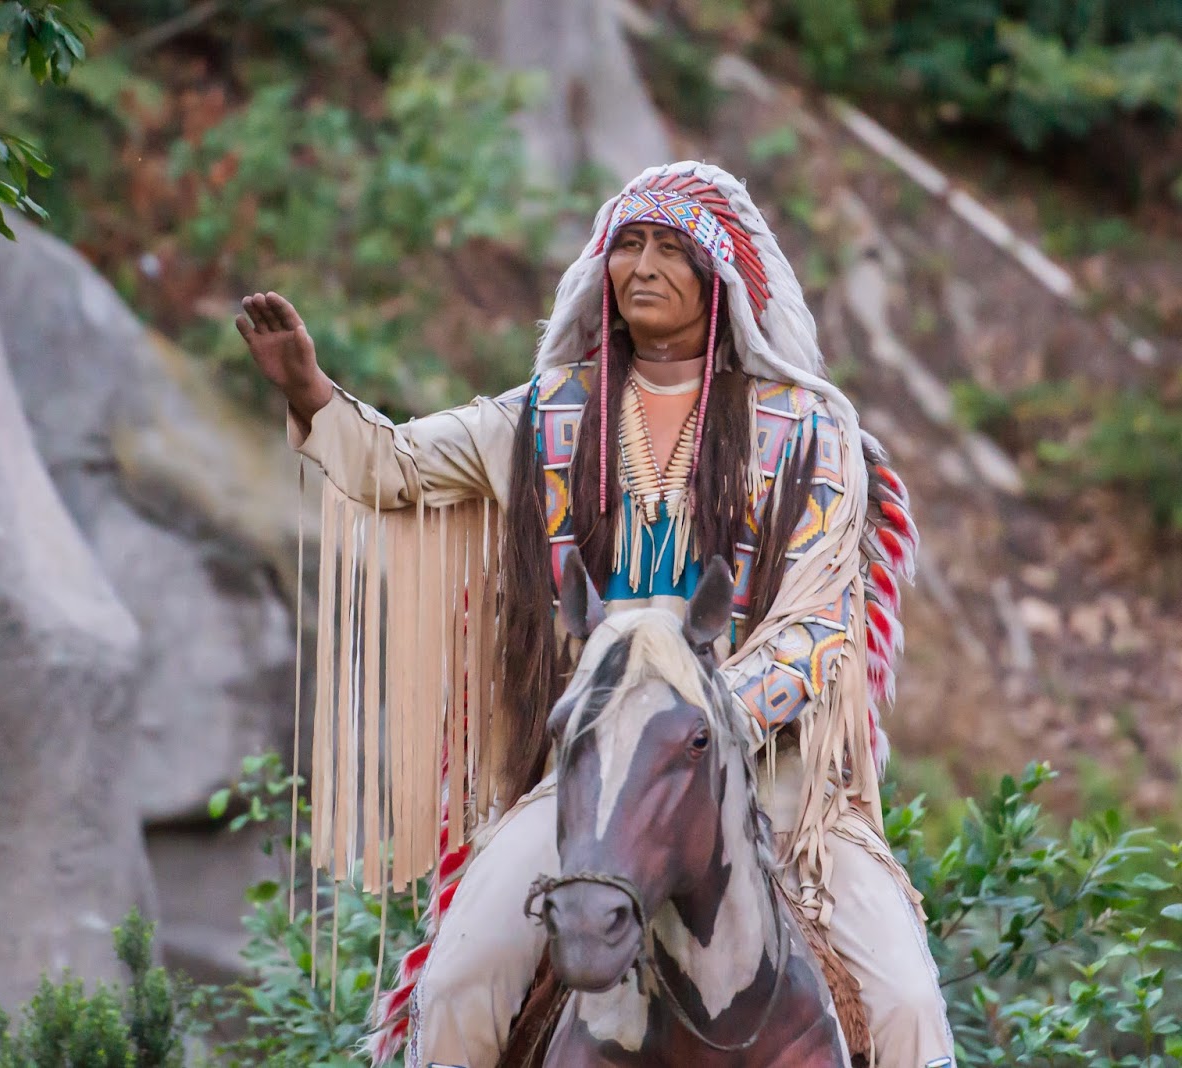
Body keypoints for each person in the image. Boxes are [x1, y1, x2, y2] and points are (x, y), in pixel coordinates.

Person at [237, 160, 952, 1068]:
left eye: (669, 249)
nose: (642, 266)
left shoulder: (808, 429)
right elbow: (399, 467)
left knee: (909, 1008)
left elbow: (820, 630)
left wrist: (693, 713)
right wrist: (310, 394)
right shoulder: (551, 412)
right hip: (594, 785)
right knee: (457, 985)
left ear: (721, 278)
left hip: (772, 788)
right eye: (628, 245)